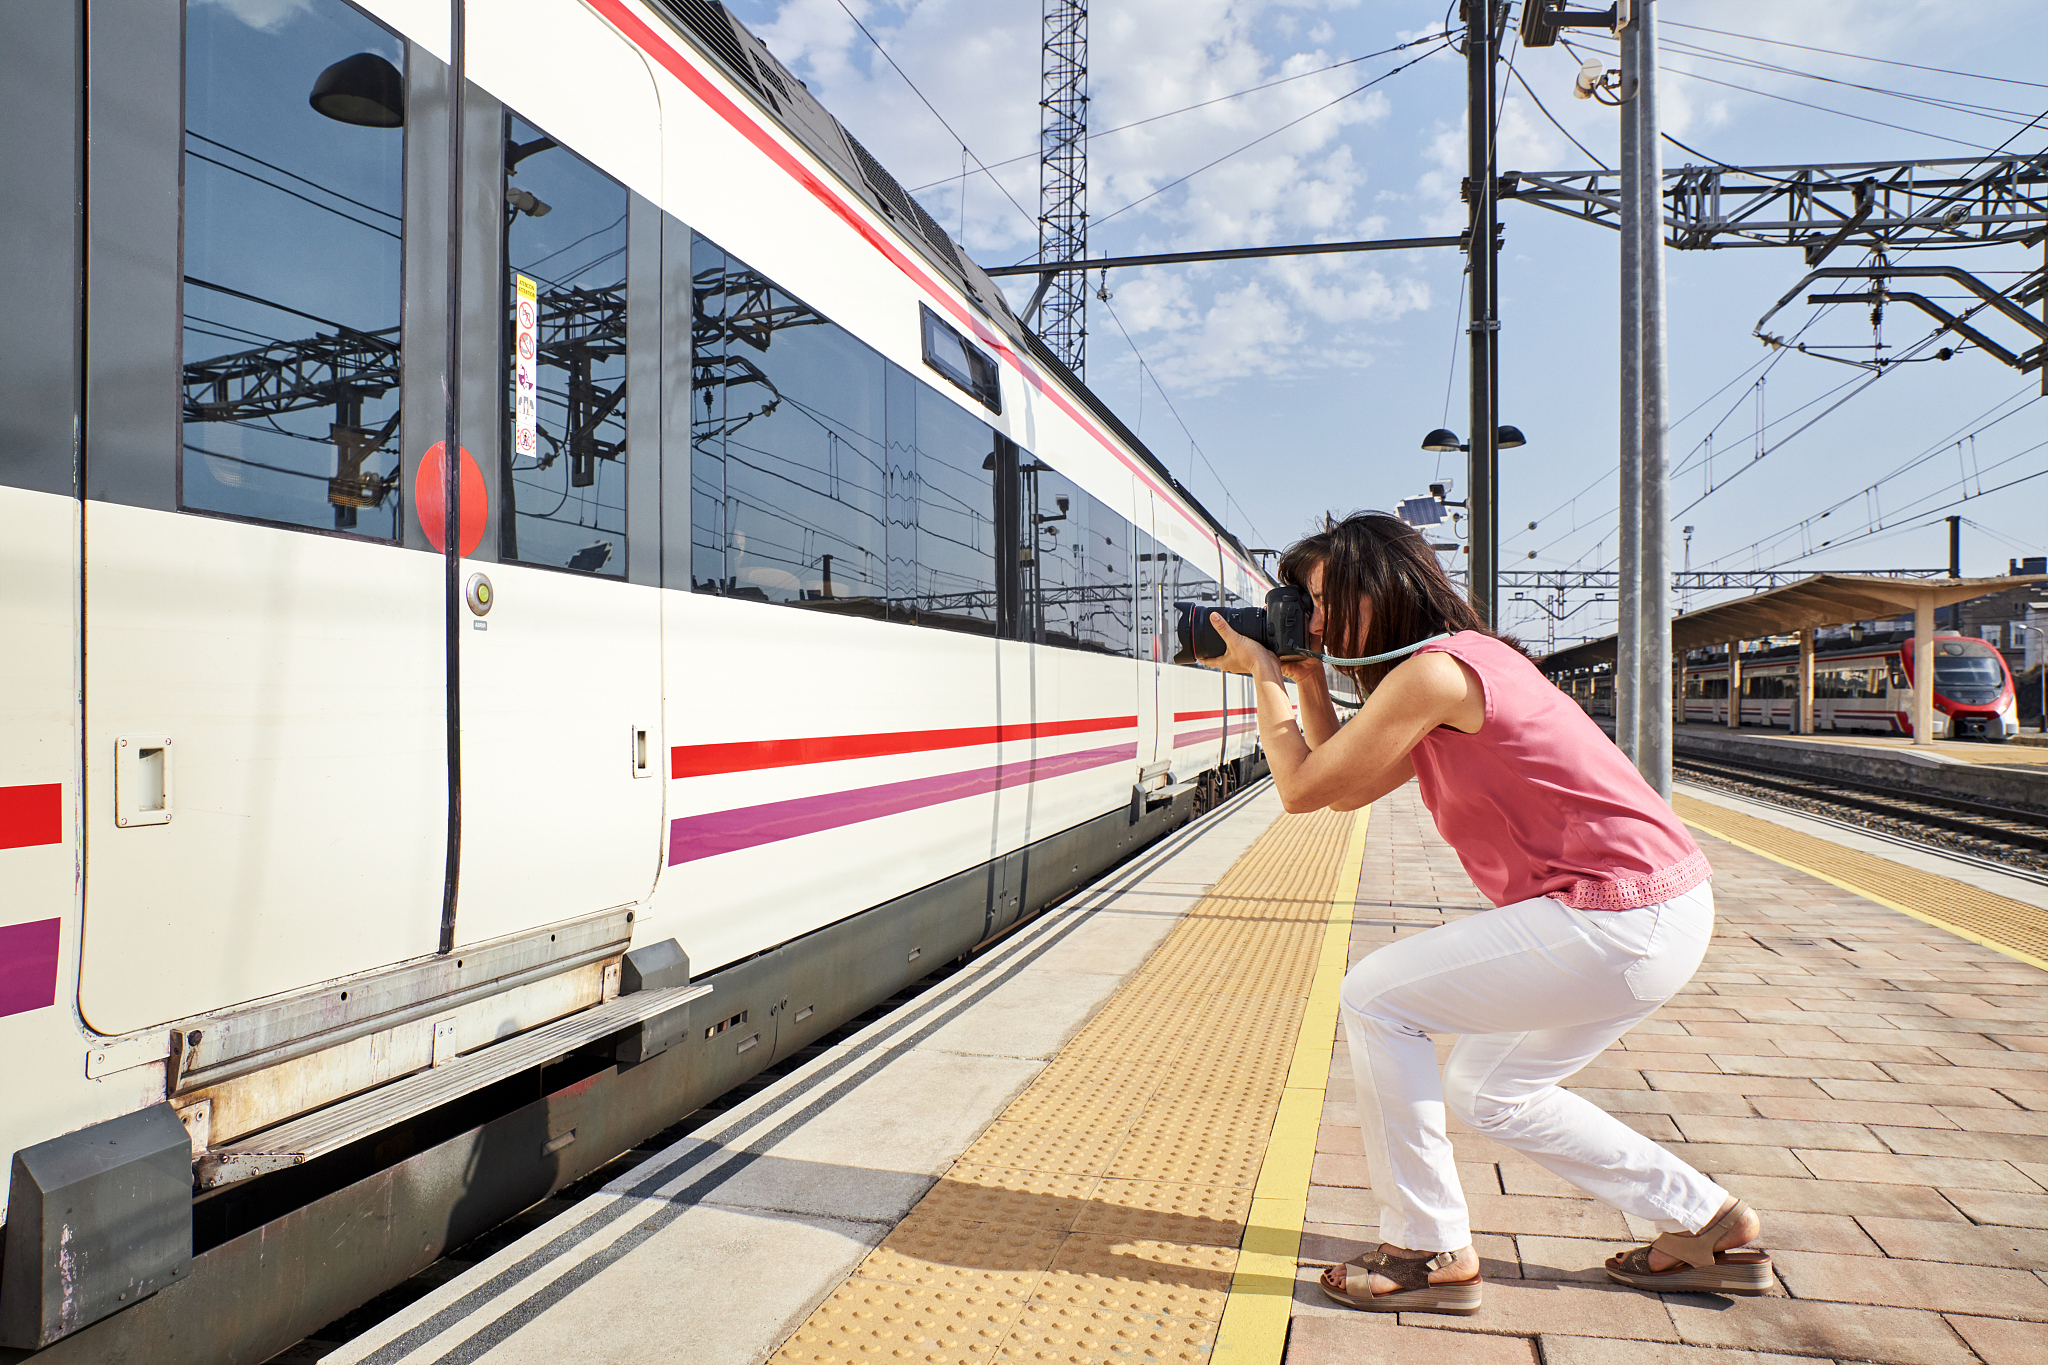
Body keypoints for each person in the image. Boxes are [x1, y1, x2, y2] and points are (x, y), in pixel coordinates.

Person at [1200, 512, 1771, 1316]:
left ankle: (1428, 1249)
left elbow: (1300, 789)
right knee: (1490, 1089)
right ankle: (1706, 1220)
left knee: (1375, 996)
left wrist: (1261, 672)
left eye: (1324, 598)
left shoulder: (1438, 673)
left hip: (1617, 915)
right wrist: (1300, 674)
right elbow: (1341, 785)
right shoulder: (1452, 669)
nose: (1315, 618)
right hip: (1656, 909)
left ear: (1382, 585)